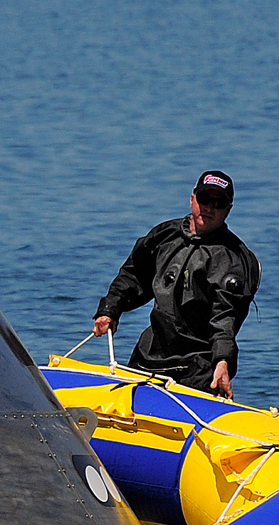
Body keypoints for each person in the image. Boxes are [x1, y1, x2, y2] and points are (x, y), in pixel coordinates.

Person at [92, 170, 261, 398]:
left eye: (218, 203)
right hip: (148, 359)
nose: (209, 208)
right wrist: (109, 311)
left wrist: (223, 362)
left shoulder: (232, 260)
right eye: (204, 199)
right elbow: (133, 276)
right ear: (192, 198)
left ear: (228, 210)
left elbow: (225, 319)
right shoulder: (164, 236)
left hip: (196, 370)